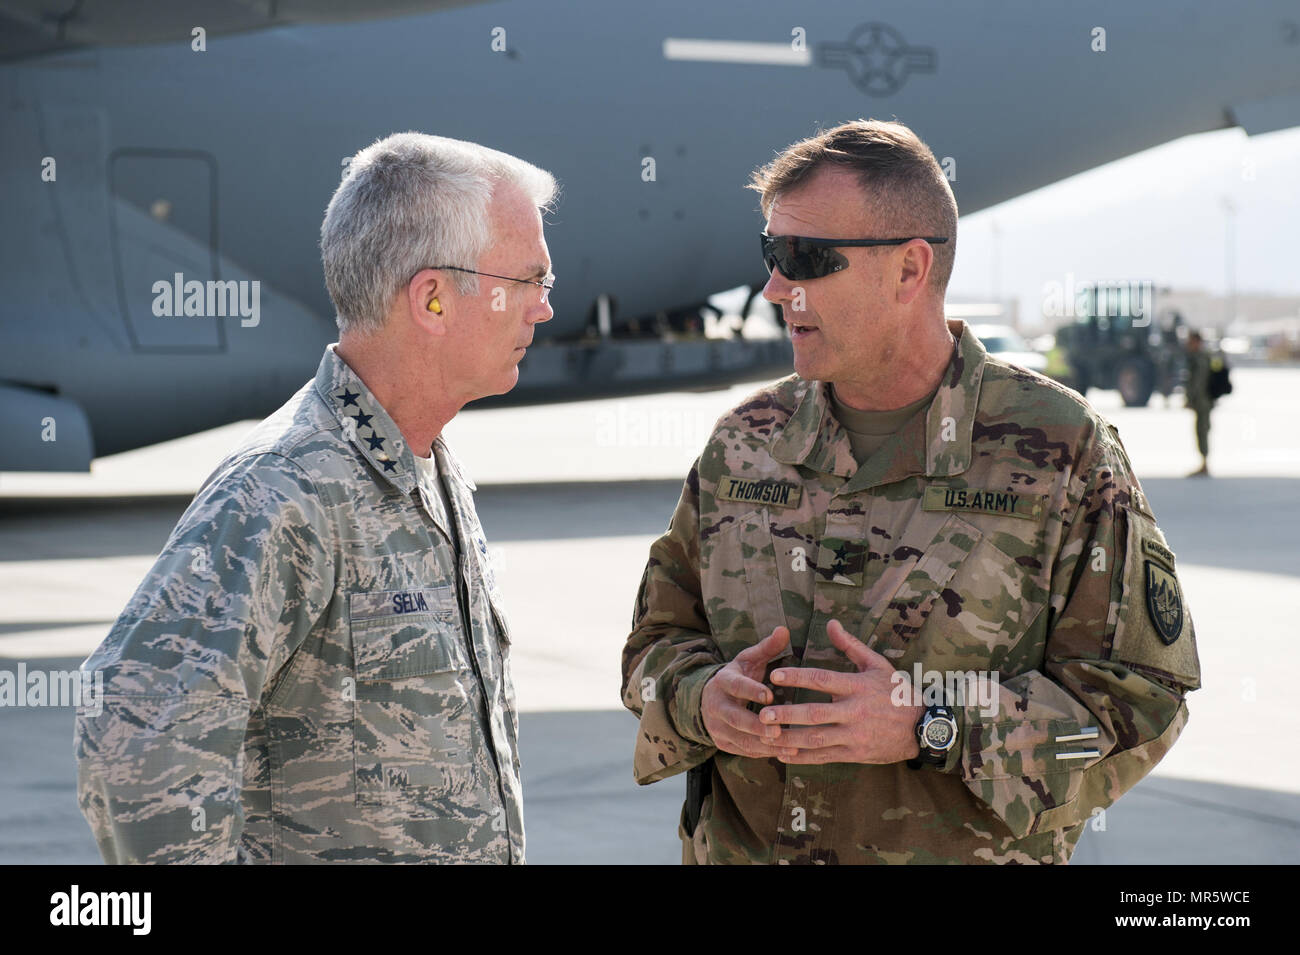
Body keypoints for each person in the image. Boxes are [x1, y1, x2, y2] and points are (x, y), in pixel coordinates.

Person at [621, 119, 1200, 865]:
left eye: (804, 257)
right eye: (770, 253)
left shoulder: (1061, 450)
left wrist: (931, 722)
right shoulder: (744, 441)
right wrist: (702, 698)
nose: (773, 287)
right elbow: (652, 644)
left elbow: (1143, 700)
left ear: (908, 269)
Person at [75, 132, 557, 863]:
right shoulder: (283, 490)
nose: (543, 310)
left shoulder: (426, 466)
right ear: (431, 297)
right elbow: (134, 739)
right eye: (527, 283)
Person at [1184, 330, 1214, 476]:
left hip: (1203, 401)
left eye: (1190, 341)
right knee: (1202, 430)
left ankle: (1204, 465)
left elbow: (1198, 381)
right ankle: (1204, 463)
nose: (1188, 344)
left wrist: (1190, 399)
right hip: (1205, 401)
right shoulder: (1203, 356)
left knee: (1202, 431)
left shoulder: (1200, 358)